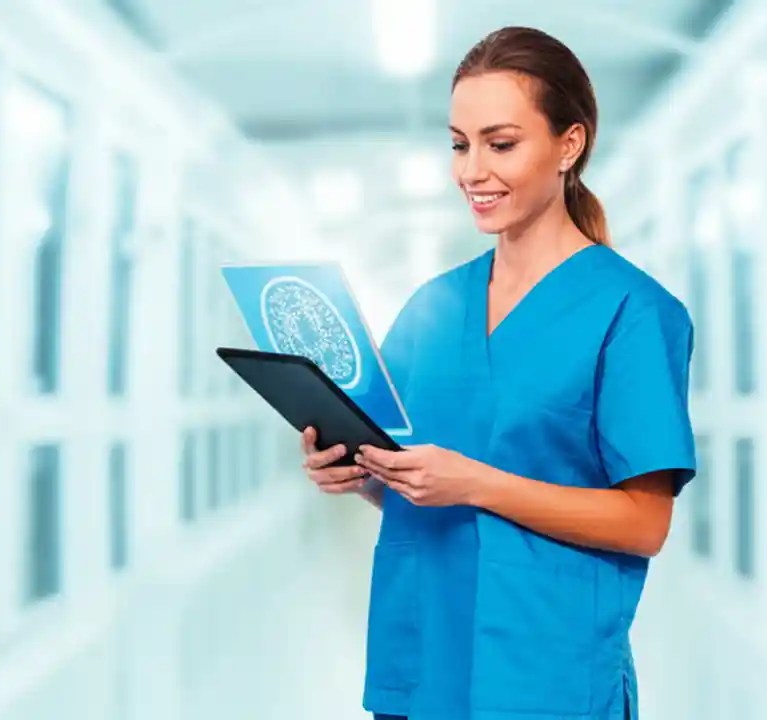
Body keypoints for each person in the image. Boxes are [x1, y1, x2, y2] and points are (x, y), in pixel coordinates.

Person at [300, 25, 696, 720]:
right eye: (460, 144)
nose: (472, 171)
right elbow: (417, 484)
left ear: (569, 145)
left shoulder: (631, 312)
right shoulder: (432, 307)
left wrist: (476, 483)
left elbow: (645, 522)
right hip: (425, 658)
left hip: (547, 674)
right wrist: (362, 475)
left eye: (501, 143)